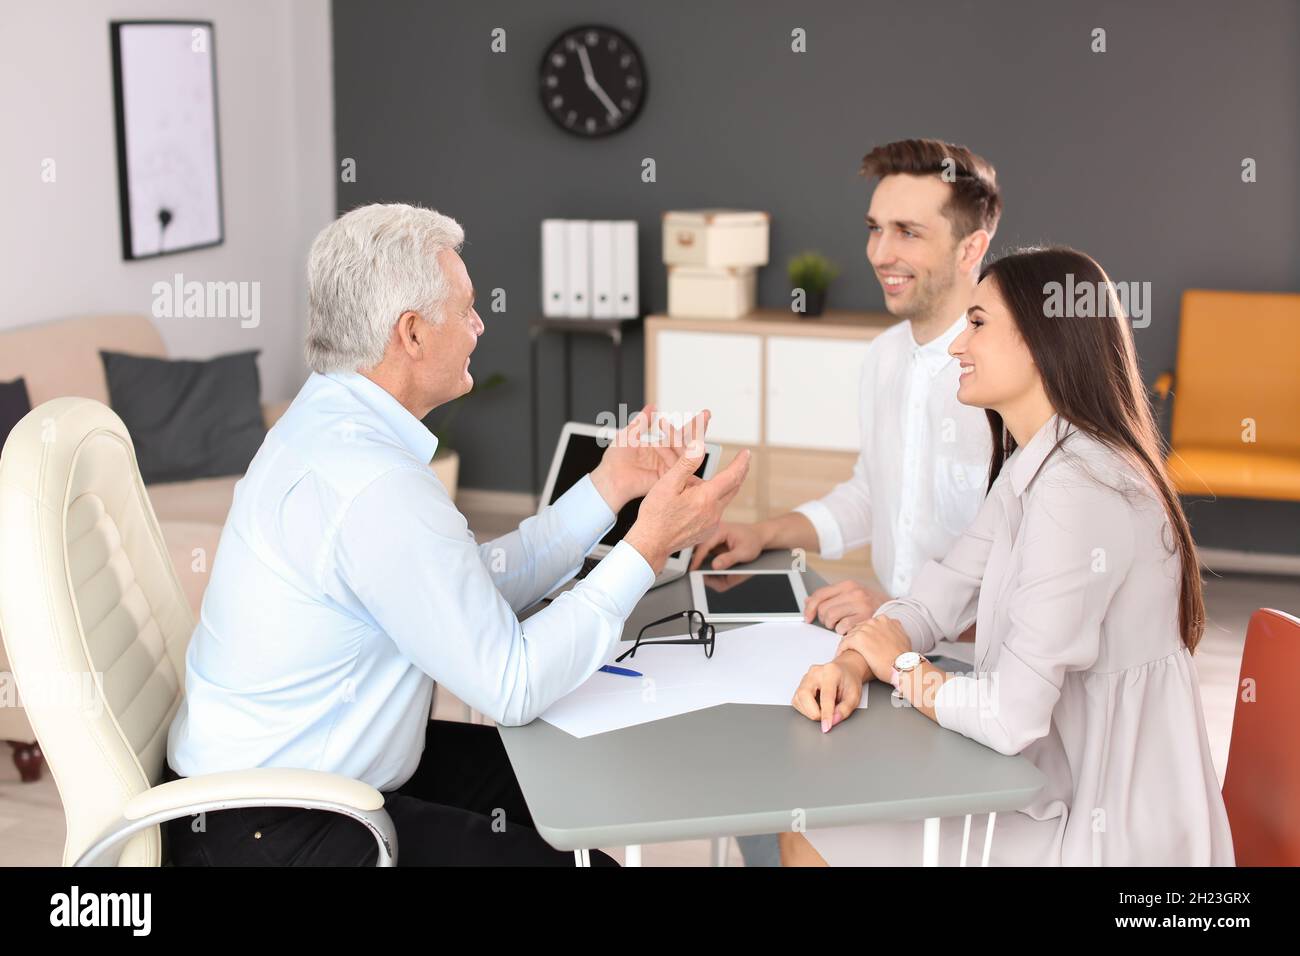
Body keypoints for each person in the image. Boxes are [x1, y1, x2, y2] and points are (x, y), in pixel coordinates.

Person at [165, 203, 750, 866]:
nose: (479, 326)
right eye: (466, 308)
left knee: (566, 779)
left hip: (309, 778)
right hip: (275, 827)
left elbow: (470, 583)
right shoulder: (372, 483)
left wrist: (609, 487)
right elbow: (512, 683)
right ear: (410, 334)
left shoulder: (329, 426)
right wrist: (647, 545)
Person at [784, 246, 1234, 866]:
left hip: (1100, 829)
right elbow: (940, 594)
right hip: (1052, 785)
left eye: (977, 323)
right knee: (817, 816)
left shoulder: (1078, 486)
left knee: (810, 829)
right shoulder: (1040, 464)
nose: (955, 347)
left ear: (1043, 339)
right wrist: (860, 659)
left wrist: (905, 669)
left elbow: (1010, 716)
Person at [694, 138, 999, 866]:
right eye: (874, 228)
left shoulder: (1005, 378)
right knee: (746, 772)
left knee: (796, 810)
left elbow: (1022, 576)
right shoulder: (887, 356)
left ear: (971, 248)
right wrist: (763, 529)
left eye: (908, 232)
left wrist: (893, 625)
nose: (880, 252)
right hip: (888, 650)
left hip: (968, 677)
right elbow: (871, 491)